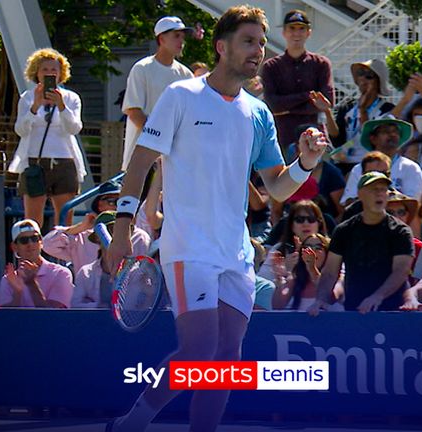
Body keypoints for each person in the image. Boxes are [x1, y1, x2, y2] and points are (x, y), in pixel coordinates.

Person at [104, 6, 328, 431]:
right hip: (188, 247)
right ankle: (134, 421)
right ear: (222, 47)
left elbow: (277, 187)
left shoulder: (258, 113)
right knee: (198, 349)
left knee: (227, 357)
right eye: (248, 41)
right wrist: (122, 228)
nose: (258, 50)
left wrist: (305, 162)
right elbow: (140, 164)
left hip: (236, 251)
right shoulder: (180, 97)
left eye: (262, 43)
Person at [308, 172, 414, 315]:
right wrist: (321, 300)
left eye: (383, 189)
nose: (380, 194)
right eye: (374, 189)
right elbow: (330, 273)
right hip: (355, 313)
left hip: (393, 314)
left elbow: (401, 271)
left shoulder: (400, 231)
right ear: (360, 194)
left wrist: (378, 296)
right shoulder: (344, 230)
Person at [10, 48, 85, 228]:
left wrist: (61, 106)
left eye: (54, 70)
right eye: (45, 69)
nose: (50, 73)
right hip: (35, 163)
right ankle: (33, 253)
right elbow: (20, 129)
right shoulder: (27, 98)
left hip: (64, 161)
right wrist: (35, 106)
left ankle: (62, 254)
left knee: (64, 217)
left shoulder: (71, 98)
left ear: (61, 73)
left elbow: (74, 128)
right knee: (33, 219)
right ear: (36, 72)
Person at [121, 16, 195, 170]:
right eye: (176, 36)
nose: (181, 41)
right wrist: (160, 140)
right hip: (142, 158)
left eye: (182, 36)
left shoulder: (186, 74)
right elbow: (134, 111)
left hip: (175, 160)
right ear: (161, 39)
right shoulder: (142, 69)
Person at [260, 9, 334, 151]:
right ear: (284, 32)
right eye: (292, 28)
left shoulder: (321, 64)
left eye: (301, 29)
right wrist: (306, 96)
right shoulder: (271, 66)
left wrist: (287, 107)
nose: (296, 33)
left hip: (315, 138)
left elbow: (327, 101)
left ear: (308, 32)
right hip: (282, 138)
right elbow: (272, 104)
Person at [42, 180, 150, 275]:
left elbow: (143, 272)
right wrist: (80, 227)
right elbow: (47, 244)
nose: (117, 207)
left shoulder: (139, 236)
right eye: (112, 202)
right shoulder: (82, 237)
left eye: (122, 202)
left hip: (126, 294)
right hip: (90, 296)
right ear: (100, 205)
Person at [329, 58, 395, 173]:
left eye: (369, 75)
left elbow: (371, 140)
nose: (363, 78)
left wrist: (363, 110)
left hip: (370, 164)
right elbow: (337, 139)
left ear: (378, 81)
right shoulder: (347, 107)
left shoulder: (386, 109)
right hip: (344, 162)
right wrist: (326, 111)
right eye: (360, 74)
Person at [71, 211, 150, 308]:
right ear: (97, 237)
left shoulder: (140, 273)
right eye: (112, 230)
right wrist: (99, 307)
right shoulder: (85, 273)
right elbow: (75, 305)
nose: (117, 236)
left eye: (122, 232)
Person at [339, 117, 422, 203]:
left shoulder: (410, 168)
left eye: (396, 131)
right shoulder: (358, 169)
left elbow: (415, 202)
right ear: (373, 139)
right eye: (386, 131)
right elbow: (349, 201)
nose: (392, 134)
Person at [0, 219, 73, 308]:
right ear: (14, 247)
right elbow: (5, 318)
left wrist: (32, 284)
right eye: (24, 240)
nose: (30, 244)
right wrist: (17, 293)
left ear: (41, 241)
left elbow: (53, 316)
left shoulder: (61, 273)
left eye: (34, 239)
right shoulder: (8, 279)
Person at [258, 200, 328, 283]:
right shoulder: (279, 250)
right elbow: (263, 282)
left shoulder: (330, 247)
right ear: (291, 225)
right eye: (299, 220)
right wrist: (285, 272)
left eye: (311, 219)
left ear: (319, 223)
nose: (306, 223)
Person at [270, 233, 344, 311]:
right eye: (307, 247)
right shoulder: (295, 279)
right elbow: (277, 306)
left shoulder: (339, 278)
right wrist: (280, 278)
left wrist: (312, 268)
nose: (312, 251)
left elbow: (330, 296)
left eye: (318, 247)